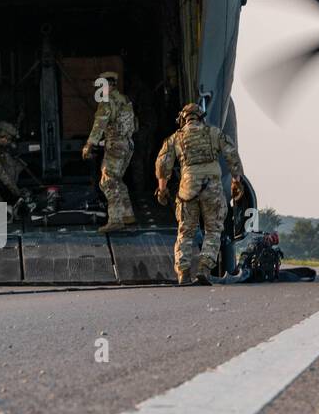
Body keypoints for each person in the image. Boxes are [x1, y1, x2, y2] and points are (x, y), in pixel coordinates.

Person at [155, 102, 244, 286]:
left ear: (182, 120)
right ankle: (204, 268)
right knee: (213, 230)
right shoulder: (214, 133)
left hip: (187, 189)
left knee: (185, 232)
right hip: (212, 187)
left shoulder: (175, 138)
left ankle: (183, 273)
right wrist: (236, 181)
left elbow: (163, 165)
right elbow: (232, 155)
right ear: (201, 117)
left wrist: (162, 189)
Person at [82, 71, 137, 233]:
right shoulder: (124, 100)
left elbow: (99, 124)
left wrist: (89, 144)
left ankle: (115, 220)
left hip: (116, 144)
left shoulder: (106, 101)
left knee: (107, 181)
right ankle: (128, 215)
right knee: (117, 179)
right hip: (127, 144)